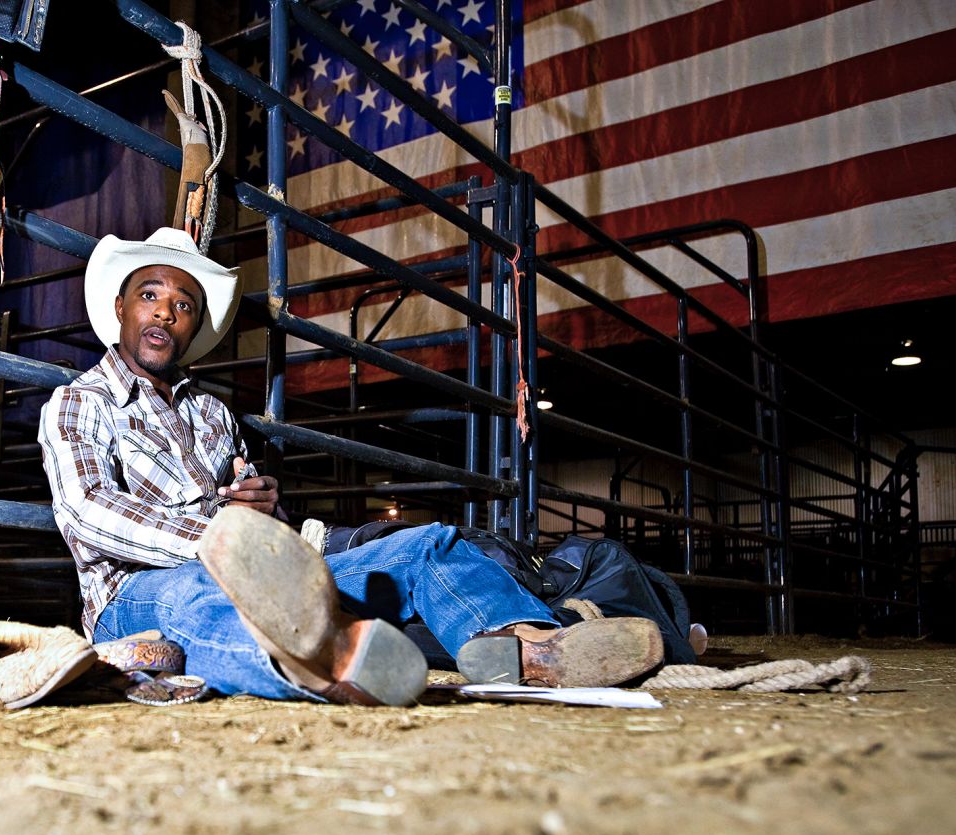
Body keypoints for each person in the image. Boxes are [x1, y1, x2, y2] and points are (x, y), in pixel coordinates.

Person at [38, 228, 662, 706]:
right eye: (150, 295)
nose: (164, 312)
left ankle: (528, 647)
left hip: (256, 574)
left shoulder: (210, 412)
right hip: (135, 595)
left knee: (427, 545)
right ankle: (331, 665)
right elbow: (88, 512)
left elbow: (254, 518)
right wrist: (226, 541)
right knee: (197, 596)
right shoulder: (79, 402)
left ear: (193, 324)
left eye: (183, 305)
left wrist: (259, 509)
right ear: (120, 307)